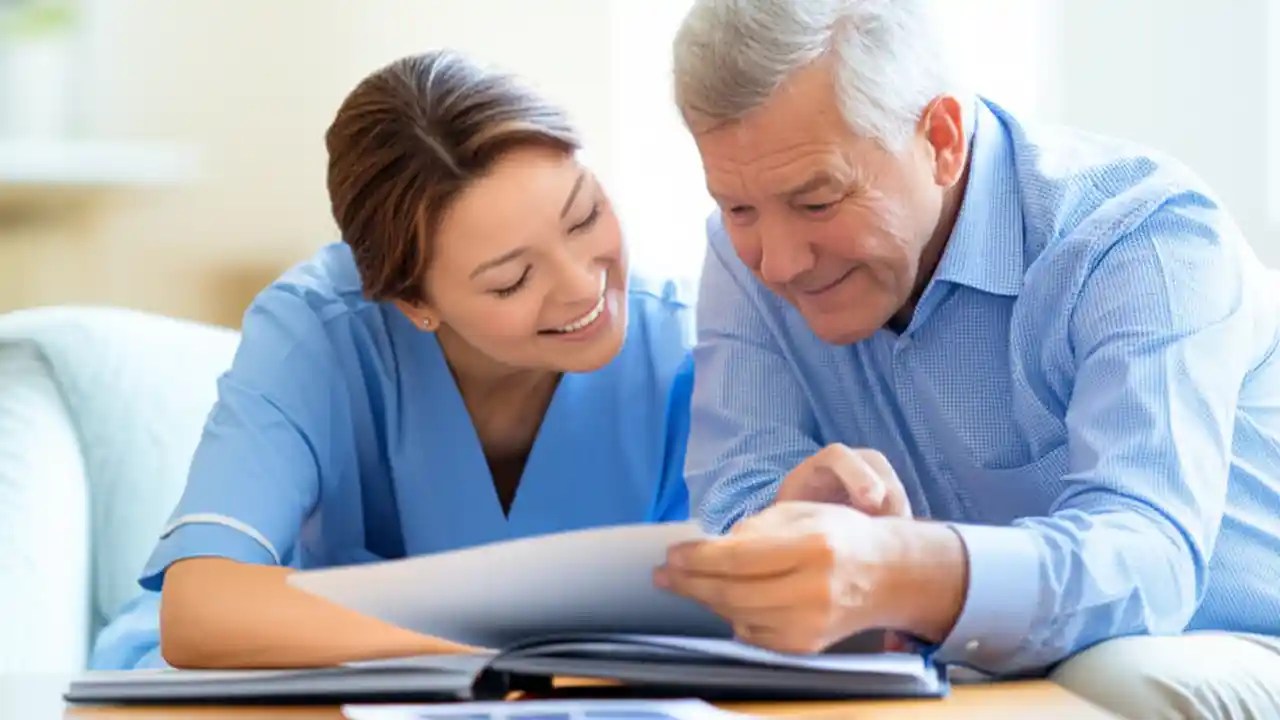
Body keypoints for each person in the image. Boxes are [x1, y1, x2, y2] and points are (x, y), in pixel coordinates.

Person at [653, 1, 1280, 717]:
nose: (781, 261)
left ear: (942, 139)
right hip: (970, 673)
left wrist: (895, 570)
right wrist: (783, 533)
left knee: (1111, 684)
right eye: (738, 209)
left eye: (819, 201)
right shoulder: (747, 265)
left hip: (1233, 641)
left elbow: (1148, 565)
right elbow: (733, 506)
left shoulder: (1140, 234)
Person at [90, 49, 695, 671]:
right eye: (512, 279)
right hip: (301, 682)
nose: (581, 285)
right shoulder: (317, 336)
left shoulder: (684, 346)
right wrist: (512, 660)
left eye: (585, 215)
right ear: (413, 301)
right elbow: (203, 612)